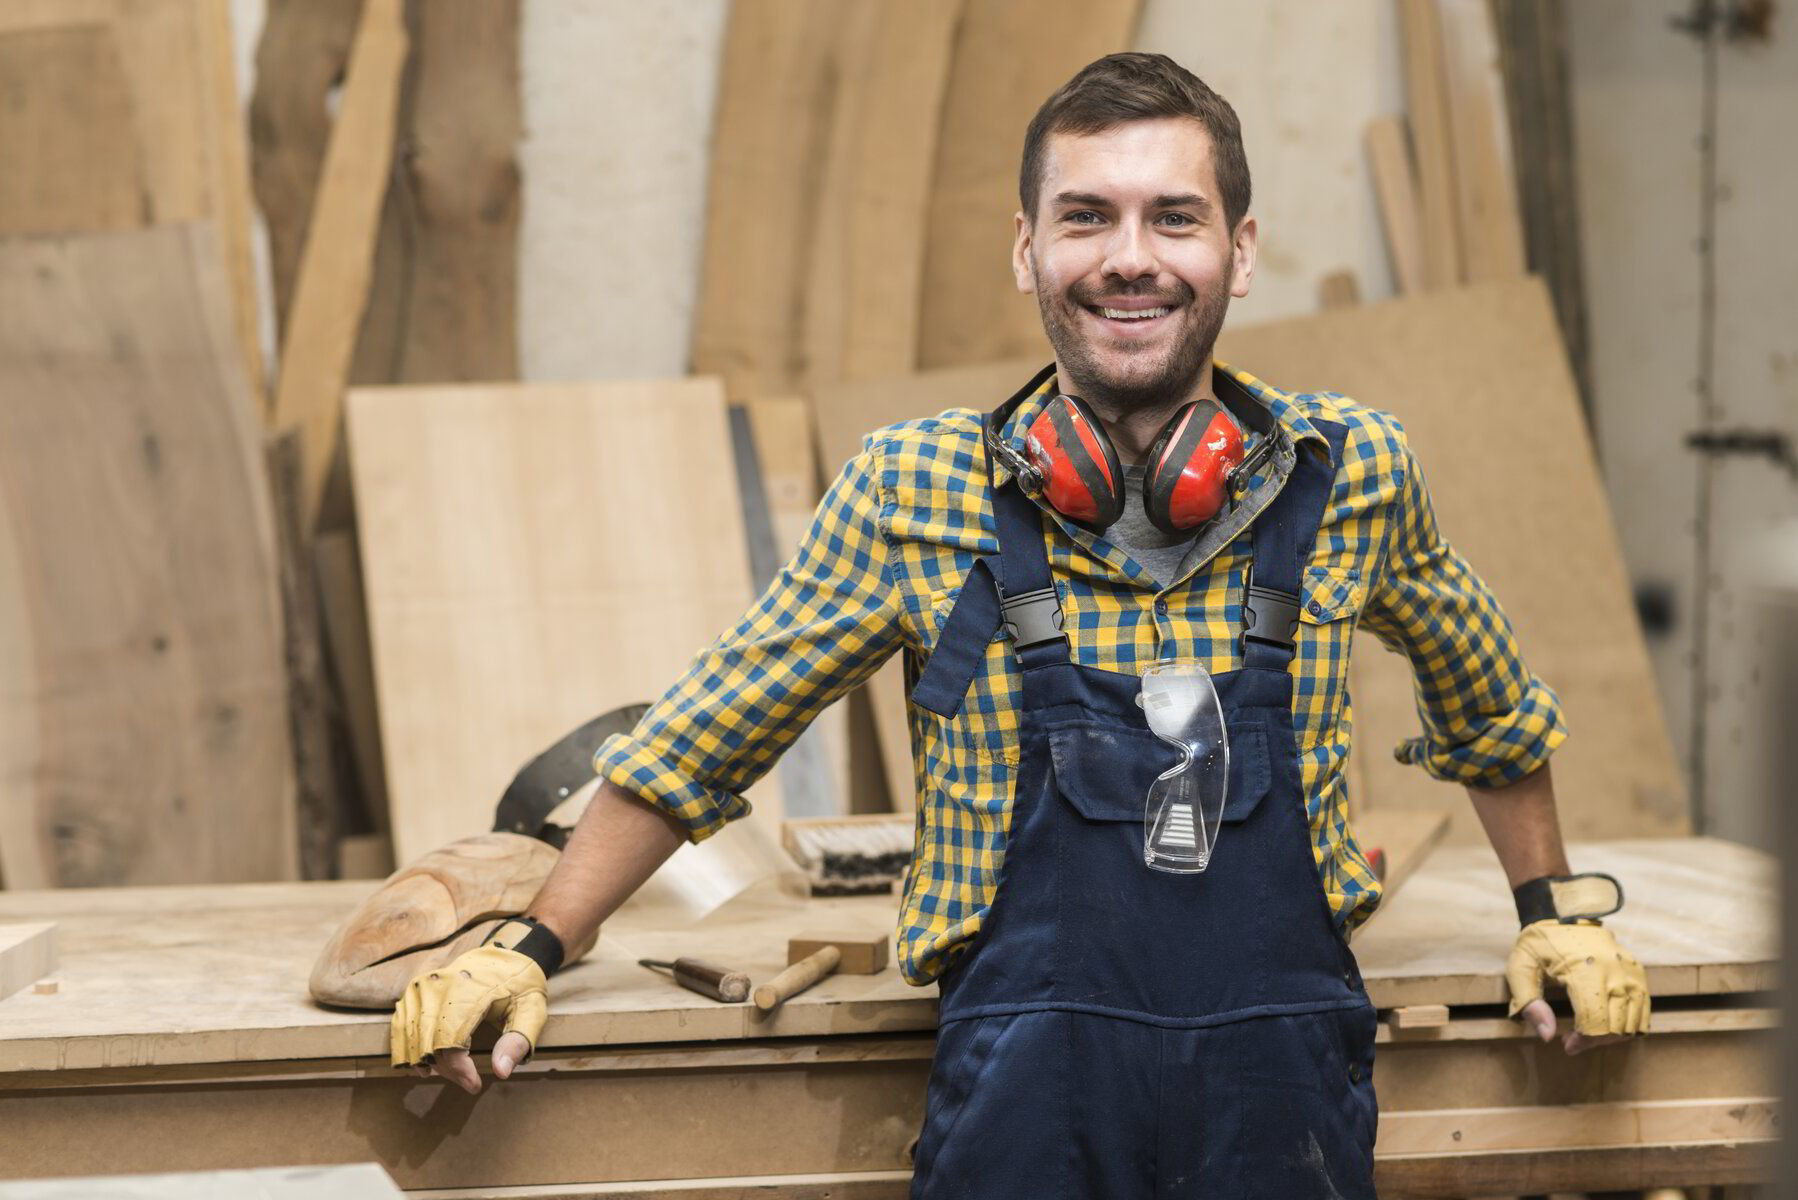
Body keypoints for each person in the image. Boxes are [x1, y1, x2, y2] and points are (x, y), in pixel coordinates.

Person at [390, 52, 1651, 1198]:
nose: (1129, 256)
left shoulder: (1350, 473)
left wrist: (1551, 912)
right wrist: (536, 942)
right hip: (1025, 1115)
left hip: (1283, 1110)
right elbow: (709, 731)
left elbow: (1486, 699)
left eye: (1175, 217)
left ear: (1242, 249)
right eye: (1085, 217)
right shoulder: (913, 490)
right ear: (1025, 248)